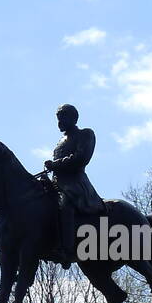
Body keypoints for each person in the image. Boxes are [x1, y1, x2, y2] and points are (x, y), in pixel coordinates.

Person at [44, 103, 104, 263]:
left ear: (73, 118)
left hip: (75, 185)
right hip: (57, 185)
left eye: (63, 118)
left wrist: (55, 164)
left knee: (65, 205)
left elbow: (81, 158)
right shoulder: (60, 142)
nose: (59, 122)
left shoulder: (85, 134)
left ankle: (67, 250)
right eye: (58, 119)